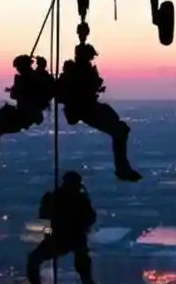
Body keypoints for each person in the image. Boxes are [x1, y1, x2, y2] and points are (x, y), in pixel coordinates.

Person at [57, 43, 142, 182]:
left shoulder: (78, 70)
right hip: (88, 110)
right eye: (90, 57)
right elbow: (78, 90)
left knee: (121, 130)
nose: (91, 60)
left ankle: (122, 169)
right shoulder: (78, 71)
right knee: (120, 131)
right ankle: (122, 169)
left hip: (89, 108)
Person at [0, 54, 56, 180]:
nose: (18, 70)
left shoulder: (34, 79)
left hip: (25, 116)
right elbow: (17, 95)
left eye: (20, 68)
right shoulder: (30, 78)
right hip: (23, 115)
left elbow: (32, 94)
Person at [24, 170, 99, 284]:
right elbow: (90, 219)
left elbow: (45, 220)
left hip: (63, 238)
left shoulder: (59, 198)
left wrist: (48, 237)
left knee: (34, 260)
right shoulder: (75, 198)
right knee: (82, 266)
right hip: (70, 238)